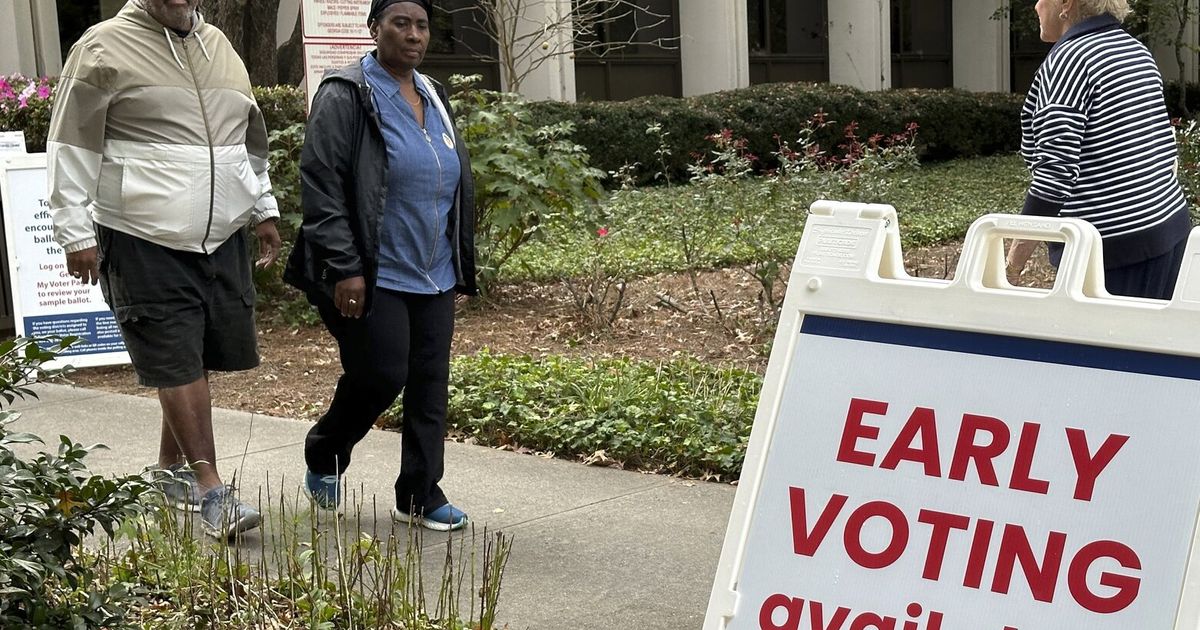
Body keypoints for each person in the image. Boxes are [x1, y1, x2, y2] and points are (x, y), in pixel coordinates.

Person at [48, 0, 281, 539]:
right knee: (174, 355)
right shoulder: (103, 46)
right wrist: (75, 230)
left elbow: (247, 143)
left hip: (219, 237)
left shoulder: (218, 46)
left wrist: (263, 207)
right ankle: (211, 489)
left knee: (193, 354)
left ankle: (169, 474)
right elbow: (70, 142)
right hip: (141, 235)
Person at [283, 0, 478, 531]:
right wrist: (345, 267)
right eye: (400, 23)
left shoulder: (434, 94)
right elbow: (321, 185)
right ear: (374, 29)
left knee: (430, 382)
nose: (413, 35)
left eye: (421, 26)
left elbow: (453, 179)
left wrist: (459, 255)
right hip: (373, 268)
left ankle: (420, 492)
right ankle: (326, 449)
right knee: (382, 372)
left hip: (432, 267)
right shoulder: (347, 93)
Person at [1006, 0, 1192, 299]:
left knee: (1106, 344)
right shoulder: (1133, 49)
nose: (1036, 7)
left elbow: (1054, 177)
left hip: (1114, 251)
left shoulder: (1069, 60)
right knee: (1149, 343)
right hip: (1169, 228)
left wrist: (1013, 263)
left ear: (1066, 4)